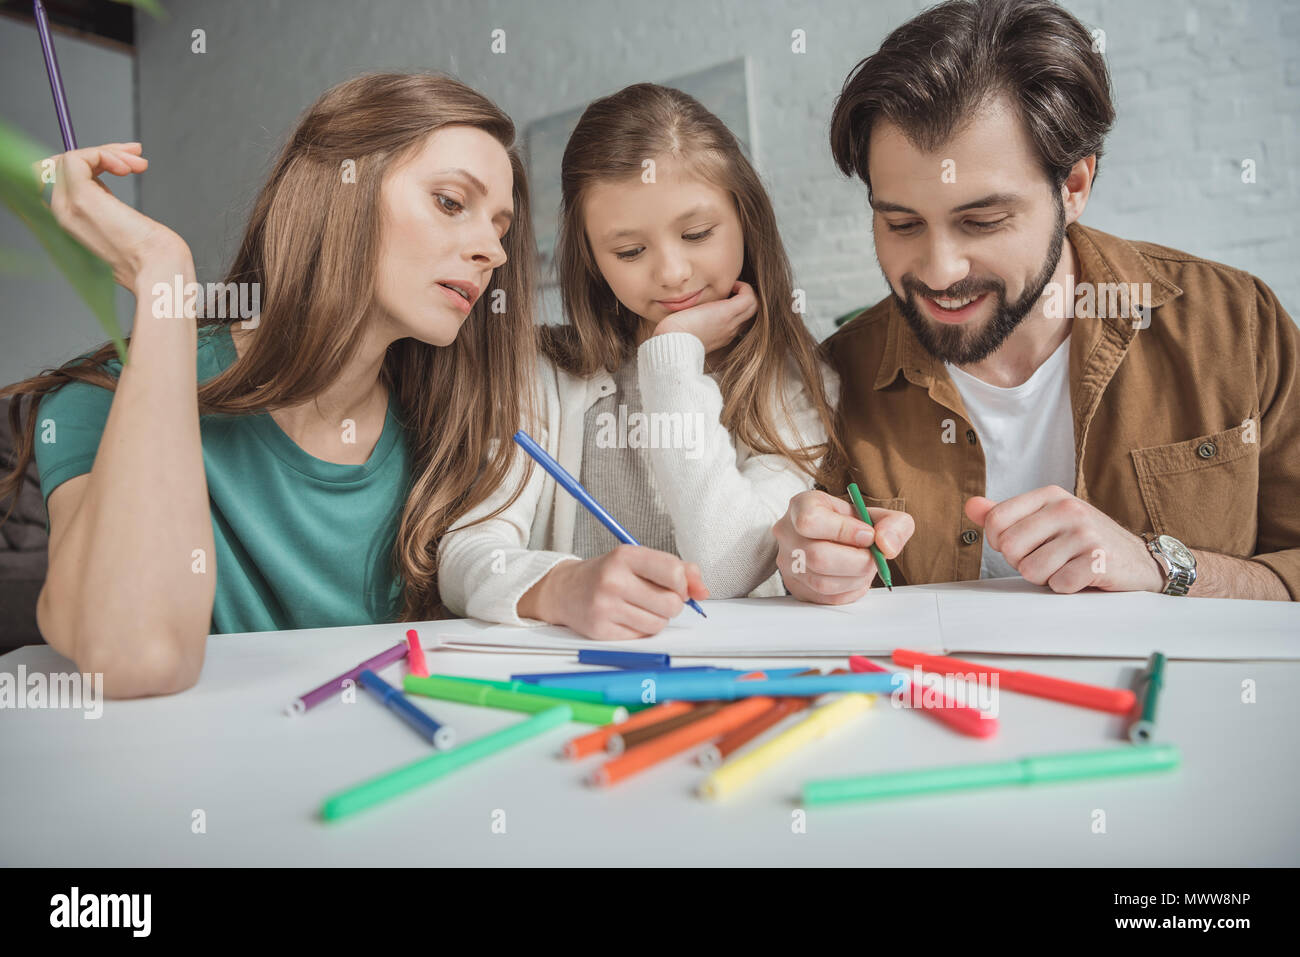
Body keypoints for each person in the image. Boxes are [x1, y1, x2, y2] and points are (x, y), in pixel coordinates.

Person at [0, 73, 541, 696]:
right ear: (338, 192)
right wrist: (163, 277)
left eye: (500, 228)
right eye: (451, 201)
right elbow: (133, 658)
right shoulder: (98, 402)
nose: (493, 252)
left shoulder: (449, 431)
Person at [774, 0, 1299, 603]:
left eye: (983, 221)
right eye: (902, 224)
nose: (940, 272)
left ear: (1073, 187)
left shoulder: (1235, 325)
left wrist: (1160, 566)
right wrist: (800, 569)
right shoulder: (833, 378)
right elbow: (807, 582)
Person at [438, 83, 911, 640]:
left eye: (696, 234)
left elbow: (728, 569)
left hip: (723, 671)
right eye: (629, 252)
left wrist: (671, 356)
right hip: (575, 674)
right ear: (590, 258)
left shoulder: (790, 381)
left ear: (746, 217)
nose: (671, 273)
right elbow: (465, 556)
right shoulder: (539, 371)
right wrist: (561, 587)